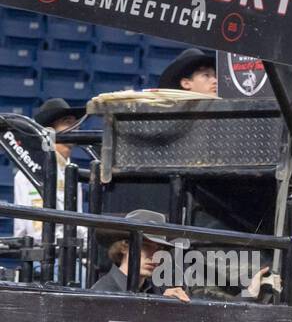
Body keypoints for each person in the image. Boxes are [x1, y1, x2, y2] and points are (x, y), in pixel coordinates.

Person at [10, 97, 83, 241]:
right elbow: (36, 229)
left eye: (75, 123)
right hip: (45, 252)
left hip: (69, 249)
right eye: (68, 122)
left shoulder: (73, 170)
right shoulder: (32, 170)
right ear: (49, 130)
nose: (75, 127)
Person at [90, 209, 192, 302]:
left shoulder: (158, 290)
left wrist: (171, 306)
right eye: (145, 246)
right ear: (124, 247)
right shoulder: (103, 292)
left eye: (159, 249)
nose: (155, 256)